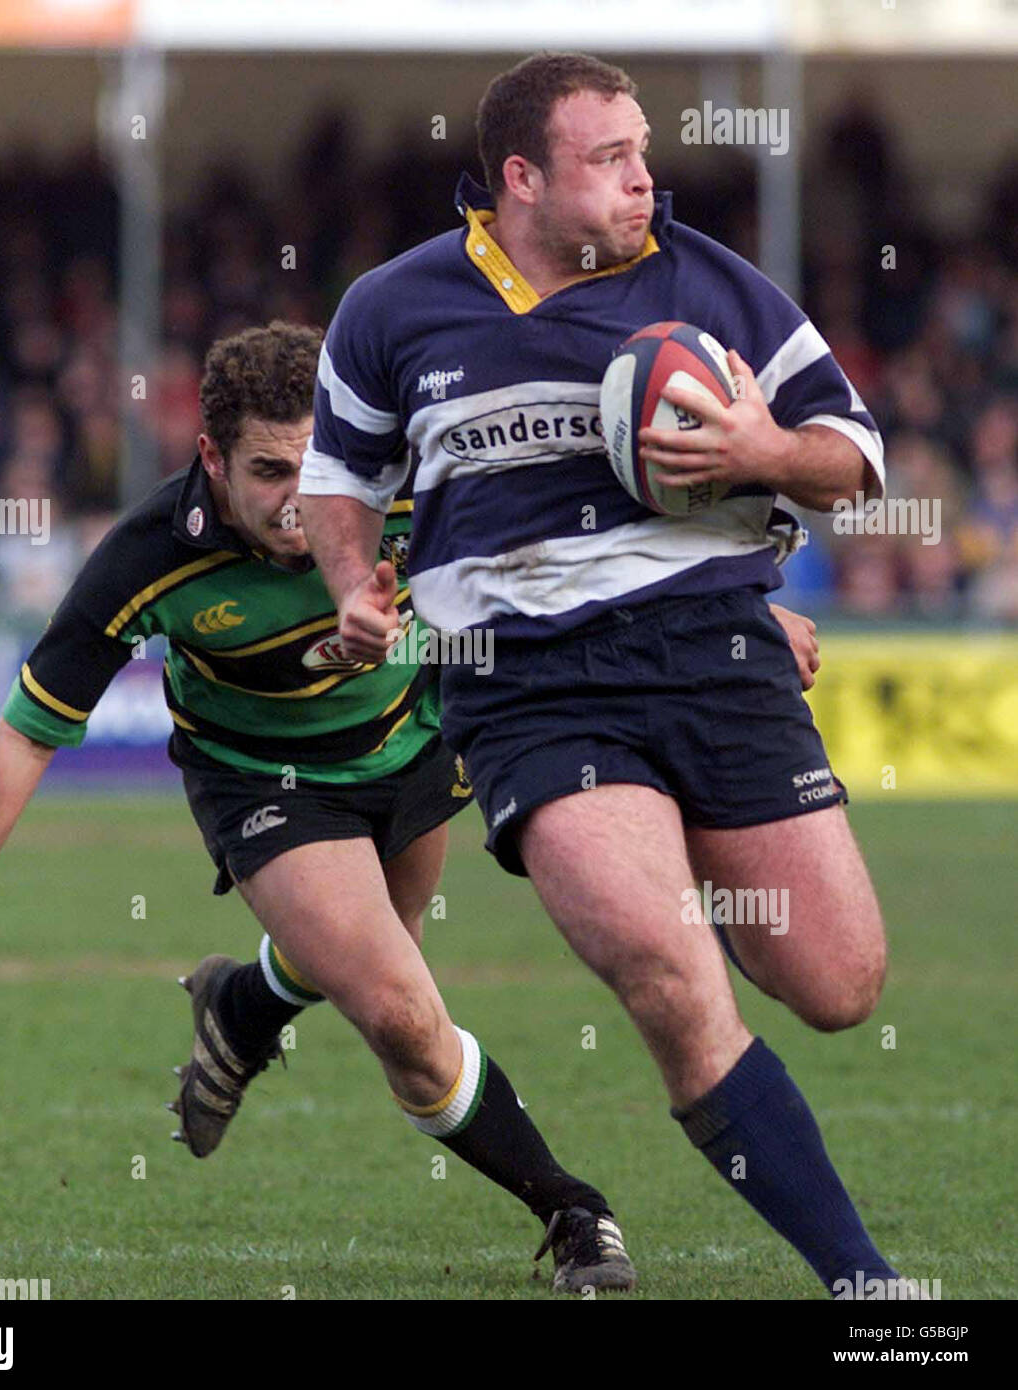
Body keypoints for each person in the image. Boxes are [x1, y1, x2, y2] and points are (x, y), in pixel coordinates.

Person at [297, 52, 910, 1299]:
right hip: (530, 686)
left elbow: (854, 457)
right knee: (668, 980)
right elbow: (336, 481)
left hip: (712, 653)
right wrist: (353, 587)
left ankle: (683, 857)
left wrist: (762, 446)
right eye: (611, 158)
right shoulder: (390, 307)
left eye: (642, 149)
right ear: (520, 177)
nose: (646, 177)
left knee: (840, 984)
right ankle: (866, 1289)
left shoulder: (709, 286)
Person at [0, 322, 638, 1294]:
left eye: (316, 467)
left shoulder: (410, 483)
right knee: (400, 1013)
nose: (296, 500)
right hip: (262, 780)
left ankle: (244, 1001)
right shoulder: (148, 554)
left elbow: (570, 554)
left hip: (413, 749)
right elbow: (24, 734)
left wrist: (738, 612)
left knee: (377, 963)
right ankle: (574, 1207)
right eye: (269, 471)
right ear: (210, 460)